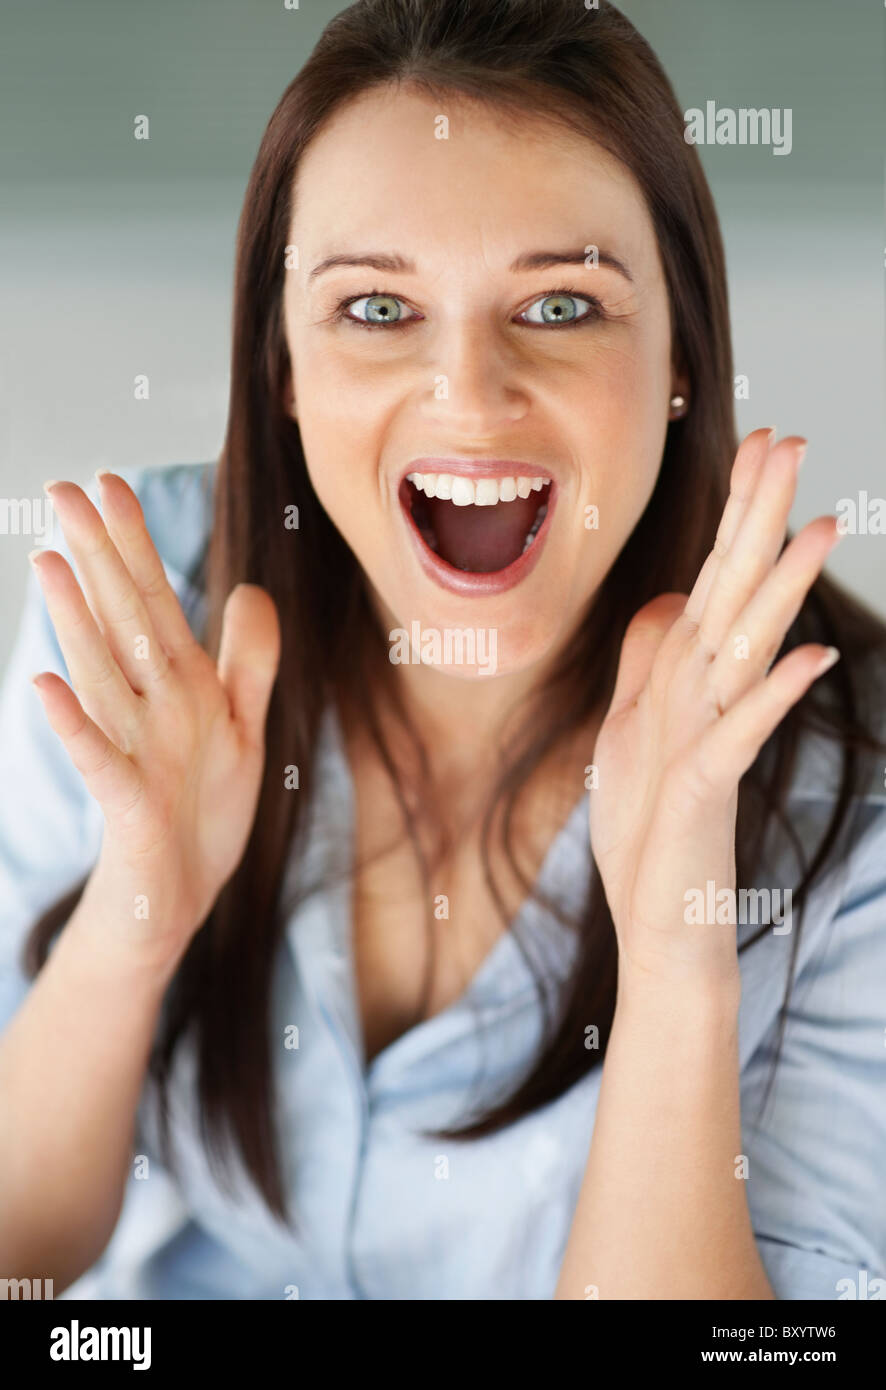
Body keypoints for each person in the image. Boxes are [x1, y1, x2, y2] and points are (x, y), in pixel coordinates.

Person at [1, 0, 884, 1300]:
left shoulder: (850, 792)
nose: (468, 392)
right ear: (282, 362)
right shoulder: (152, 609)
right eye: (374, 305)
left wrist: (675, 959)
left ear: (683, 356)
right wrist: (135, 917)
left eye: (562, 302)